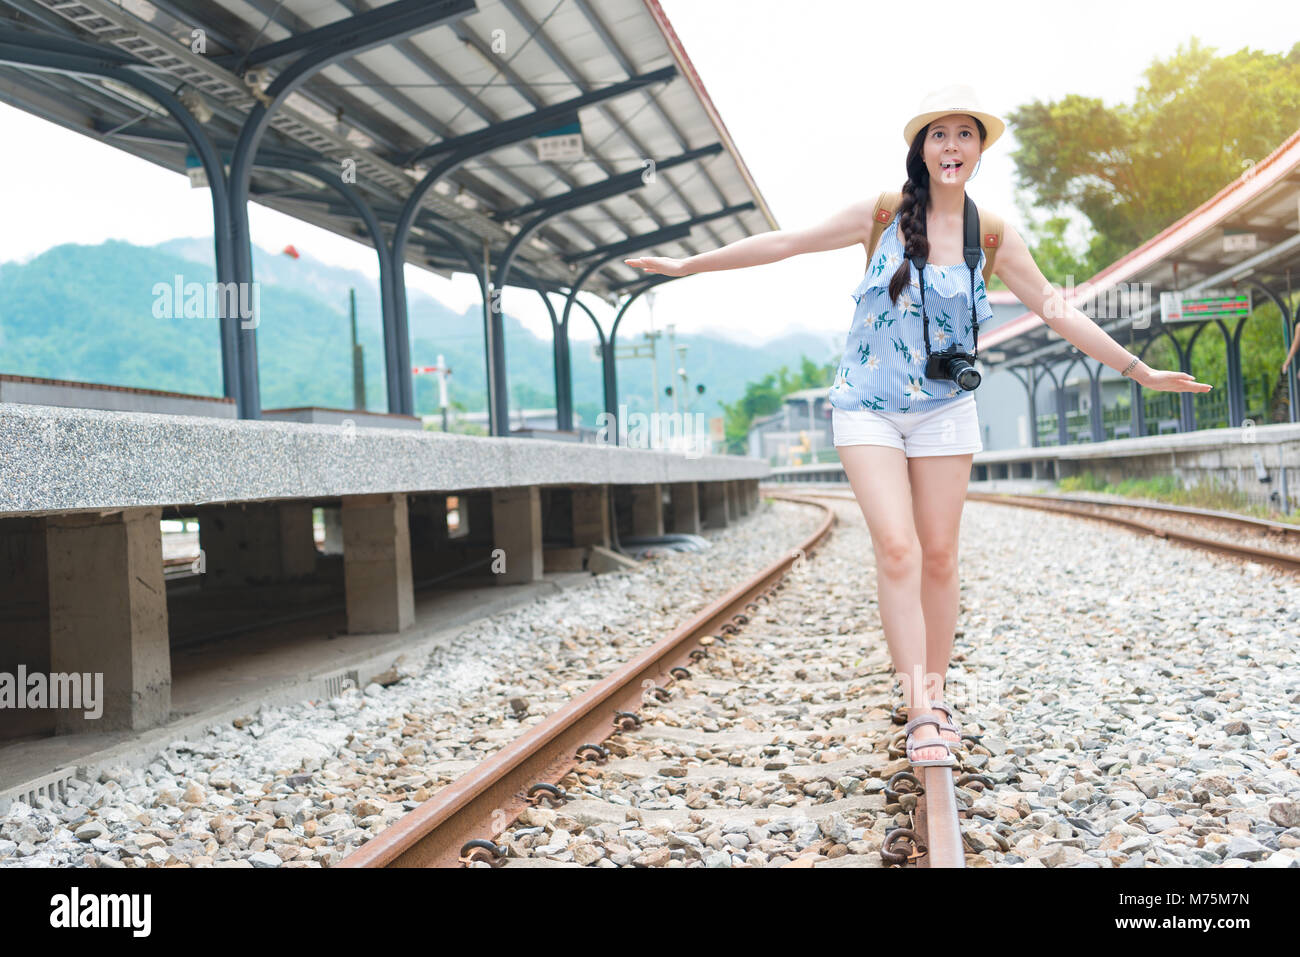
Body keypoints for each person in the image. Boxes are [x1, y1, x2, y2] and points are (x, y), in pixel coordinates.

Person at [624, 84, 1211, 766]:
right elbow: (786, 242)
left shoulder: (989, 235)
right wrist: (686, 264)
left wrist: (1138, 369)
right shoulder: (883, 212)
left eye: (966, 135)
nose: (952, 146)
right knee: (898, 550)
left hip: (944, 412)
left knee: (939, 555)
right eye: (940, 135)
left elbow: (1054, 307)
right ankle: (920, 708)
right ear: (921, 148)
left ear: (980, 150)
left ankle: (936, 686)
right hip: (867, 408)